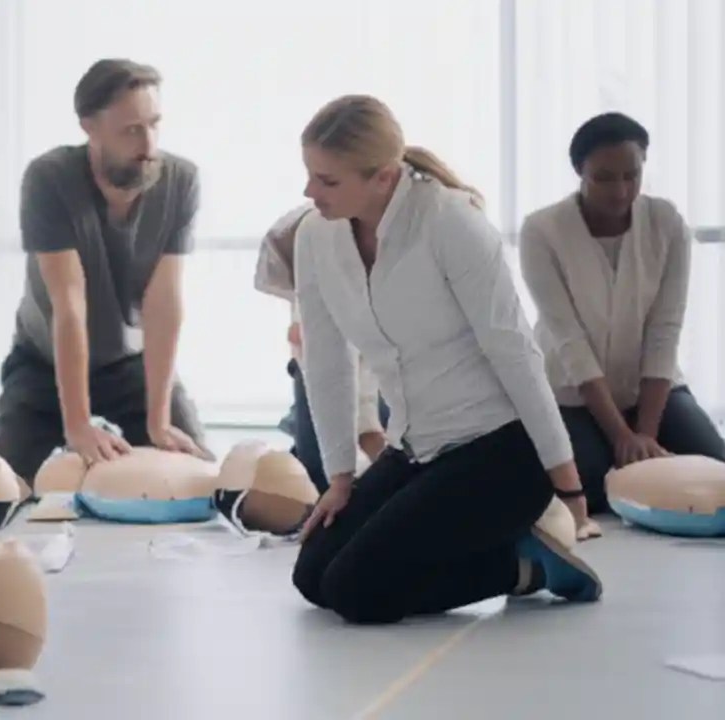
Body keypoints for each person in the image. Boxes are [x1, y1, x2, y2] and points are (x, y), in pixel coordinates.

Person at [287, 95, 602, 626]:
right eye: (310, 175)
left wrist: (567, 482)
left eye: (328, 180)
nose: (309, 191)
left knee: (357, 592)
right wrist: (340, 479)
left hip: (502, 452)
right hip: (415, 449)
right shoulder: (316, 235)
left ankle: (525, 566)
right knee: (313, 578)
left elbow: (515, 351)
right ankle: (512, 554)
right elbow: (325, 357)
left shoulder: (449, 222)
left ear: (384, 177)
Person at [0, 58, 209, 484]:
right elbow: (69, 304)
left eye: (154, 124)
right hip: (43, 363)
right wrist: (76, 424)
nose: (148, 145)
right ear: (89, 127)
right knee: (0, 482)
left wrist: (159, 420)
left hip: (129, 365)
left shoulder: (181, 180)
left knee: (194, 470)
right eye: (131, 130)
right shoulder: (49, 178)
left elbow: (164, 303)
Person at [518, 112, 725, 513]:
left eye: (632, 175)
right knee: (589, 486)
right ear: (579, 172)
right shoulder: (542, 231)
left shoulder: (667, 223)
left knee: (715, 472)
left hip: (647, 389)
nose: (621, 190)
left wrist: (644, 434)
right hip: (572, 392)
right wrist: (621, 436)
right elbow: (569, 341)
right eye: (605, 177)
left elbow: (665, 330)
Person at [256, 204, 390, 491]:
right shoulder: (307, 242)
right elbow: (327, 366)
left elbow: (361, 369)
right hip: (327, 378)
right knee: (319, 472)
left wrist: (375, 443)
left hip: (393, 384)